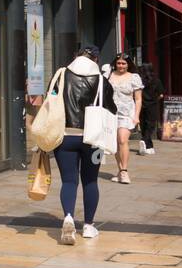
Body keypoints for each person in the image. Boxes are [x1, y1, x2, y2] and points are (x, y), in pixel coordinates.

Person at [49, 46, 115, 245]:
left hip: (65, 136)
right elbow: (111, 107)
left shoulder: (61, 75)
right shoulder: (102, 80)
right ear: (95, 58)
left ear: (75, 56)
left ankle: (68, 217)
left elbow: (50, 100)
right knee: (90, 181)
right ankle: (88, 226)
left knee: (69, 181)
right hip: (93, 139)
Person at [106, 55, 143, 185]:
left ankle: (124, 171)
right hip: (111, 112)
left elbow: (138, 99)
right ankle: (120, 169)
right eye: (119, 63)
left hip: (127, 113)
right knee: (115, 143)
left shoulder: (134, 77)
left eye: (123, 63)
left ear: (128, 64)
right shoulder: (109, 75)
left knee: (122, 139)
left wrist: (137, 115)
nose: (121, 66)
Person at [137, 63, 164, 155]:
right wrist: (154, 99)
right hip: (152, 105)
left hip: (141, 105)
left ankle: (149, 146)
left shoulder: (139, 81)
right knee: (151, 125)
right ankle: (144, 141)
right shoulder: (156, 81)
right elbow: (161, 94)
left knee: (143, 124)